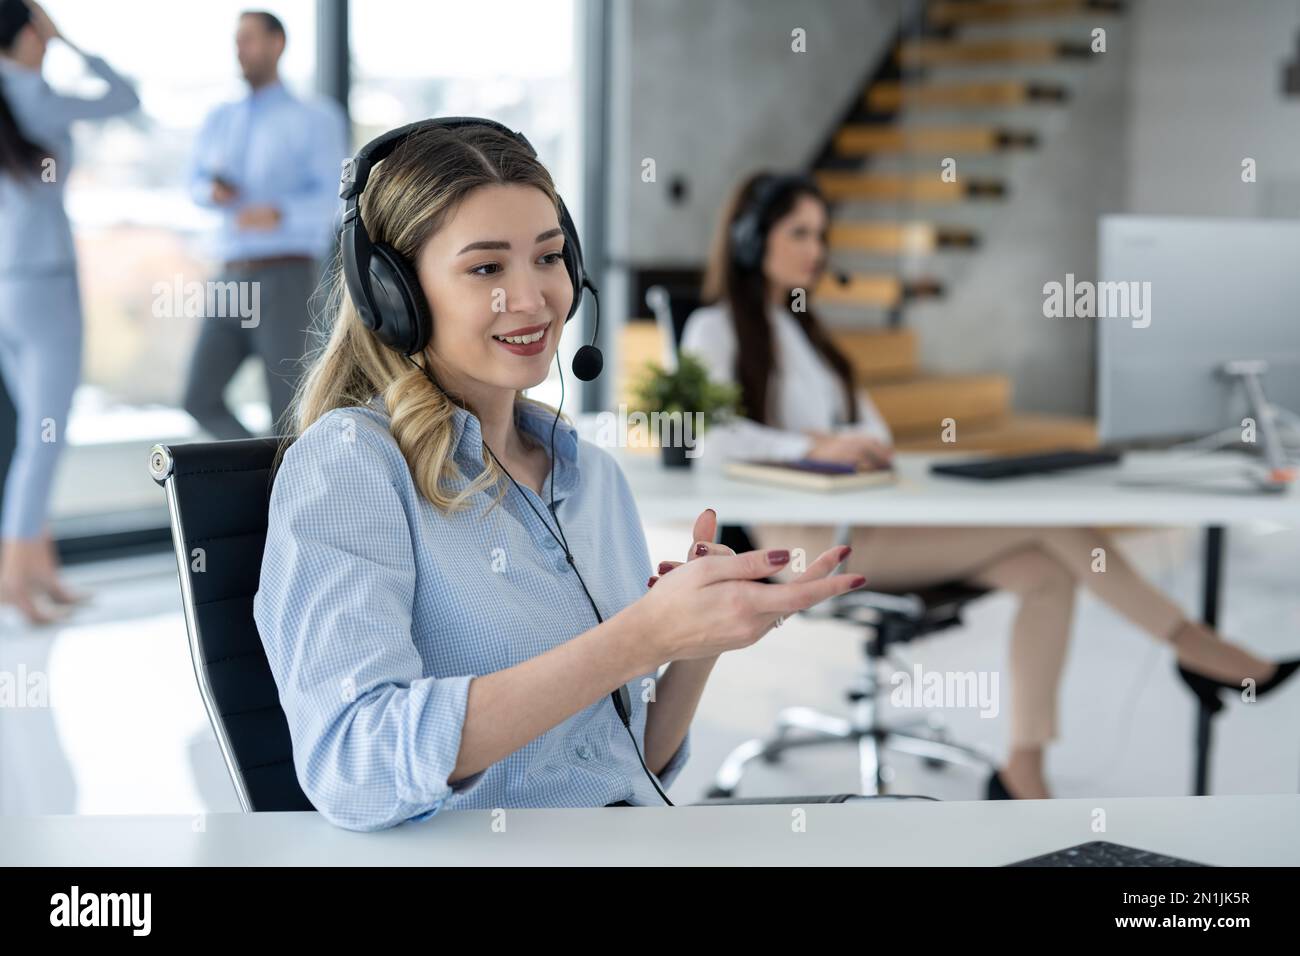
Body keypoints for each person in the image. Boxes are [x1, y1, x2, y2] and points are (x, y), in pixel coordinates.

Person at [251, 120, 868, 831]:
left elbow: (629, 762)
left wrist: (693, 646)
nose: (536, 297)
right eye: (486, 268)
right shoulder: (351, 469)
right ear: (394, 292)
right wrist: (637, 639)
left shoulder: (590, 476)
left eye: (548, 258)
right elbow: (354, 765)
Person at [679, 171, 1300, 800]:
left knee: (1045, 572)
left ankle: (1023, 768)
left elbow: (873, 429)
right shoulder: (714, 328)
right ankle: (1198, 648)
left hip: (860, 515)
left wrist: (857, 441)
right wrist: (814, 444)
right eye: (799, 233)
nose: (817, 249)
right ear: (752, 241)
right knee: (1049, 523)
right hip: (805, 538)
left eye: (822, 234)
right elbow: (713, 439)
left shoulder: (808, 333)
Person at [0, 0, 138, 625]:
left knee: (35, 432)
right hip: (47, 283)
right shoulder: (38, 97)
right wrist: (73, 43)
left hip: (7, 285)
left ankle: (41, 571)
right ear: (33, 32)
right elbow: (124, 97)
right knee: (45, 438)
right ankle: (14, 578)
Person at [183, 10, 346, 439]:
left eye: (250, 39)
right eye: (237, 40)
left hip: (286, 276)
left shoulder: (315, 118)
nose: (240, 50)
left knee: (287, 409)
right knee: (198, 398)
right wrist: (210, 192)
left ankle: (283, 495)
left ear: (278, 44)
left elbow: (334, 194)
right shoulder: (221, 118)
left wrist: (279, 213)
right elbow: (195, 182)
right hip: (230, 275)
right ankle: (258, 476)